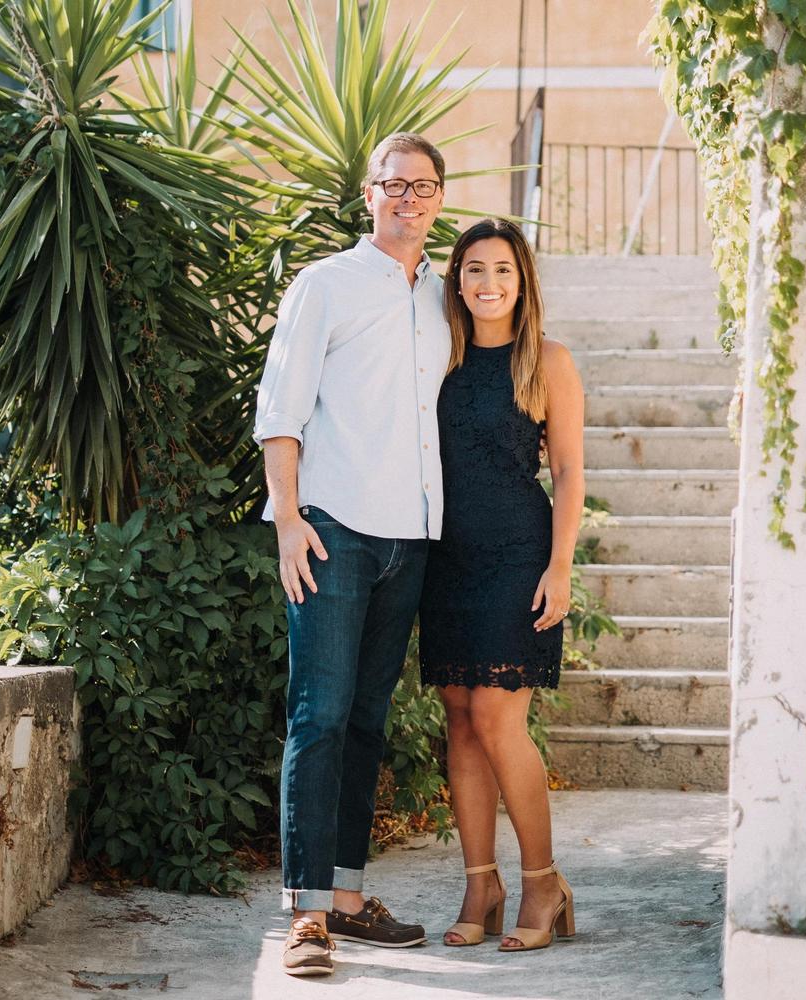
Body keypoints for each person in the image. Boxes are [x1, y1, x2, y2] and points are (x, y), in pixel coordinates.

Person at [253, 133, 452, 976]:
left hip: (412, 538)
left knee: (368, 722)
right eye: (394, 185)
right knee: (320, 716)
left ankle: (344, 897)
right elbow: (281, 407)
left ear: (440, 199)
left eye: (424, 186)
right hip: (333, 533)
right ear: (368, 195)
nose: (409, 198)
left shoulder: (444, 298)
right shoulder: (325, 284)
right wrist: (287, 519)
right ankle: (305, 916)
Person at [419, 217, 584, 952]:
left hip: (519, 554)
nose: (488, 283)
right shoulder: (439, 357)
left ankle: (543, 883)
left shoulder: (548, 359)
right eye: (475, 270)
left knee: (495, 715)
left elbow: (570, 472)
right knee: (459, 717)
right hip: (446, 557)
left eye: (503, 271)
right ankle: (480, 885)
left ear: (523, 282)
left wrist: (560, 566)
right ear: (457, 281)